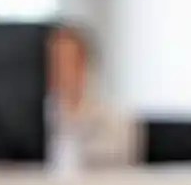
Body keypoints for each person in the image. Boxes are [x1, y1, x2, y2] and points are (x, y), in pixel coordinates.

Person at [46, 25, 137, 171]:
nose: (57, 70)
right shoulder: (45, 114)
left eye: (64, 61)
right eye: (53, 62)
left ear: (83, 64)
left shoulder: (115, 118)